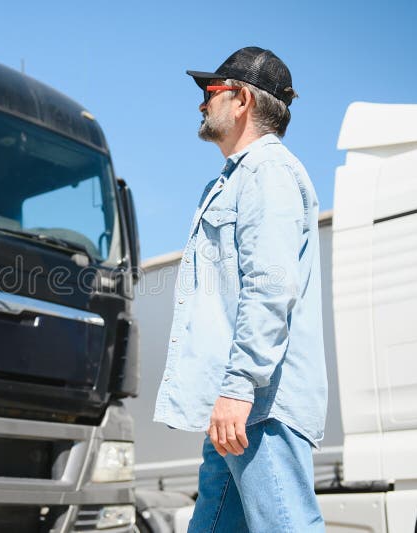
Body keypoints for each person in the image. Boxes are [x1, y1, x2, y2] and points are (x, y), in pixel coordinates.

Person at [153, 46, 327, 532]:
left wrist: (239, 387)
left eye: (211, 92)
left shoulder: (267, 173)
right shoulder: (234, 180)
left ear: (243, 99)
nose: (202, 103)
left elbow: (270, 288)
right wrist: (229, 394)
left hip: (258, 405)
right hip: (235, 407)